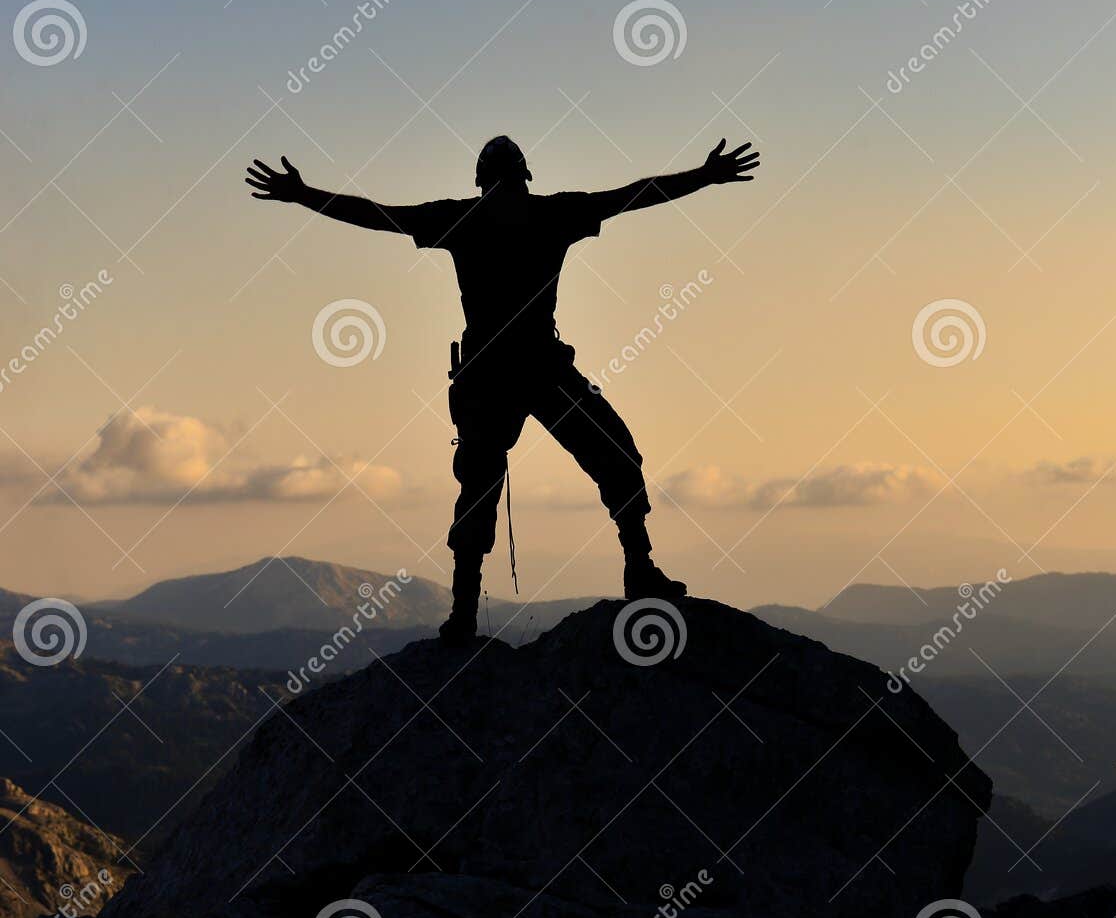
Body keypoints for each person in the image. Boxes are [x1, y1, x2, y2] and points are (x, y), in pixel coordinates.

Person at [245, 135, 760, 645]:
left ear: (482, 180)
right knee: (615, 456)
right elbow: (635, 194)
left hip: (491, 375)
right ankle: (636, 569)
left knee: (484, 488)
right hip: (540, 369)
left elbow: (378, 215)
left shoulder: (463, 219)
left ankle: (466, 611)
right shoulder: (552, 215)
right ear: (522, 177)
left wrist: (304, 194)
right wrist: (704, 176)